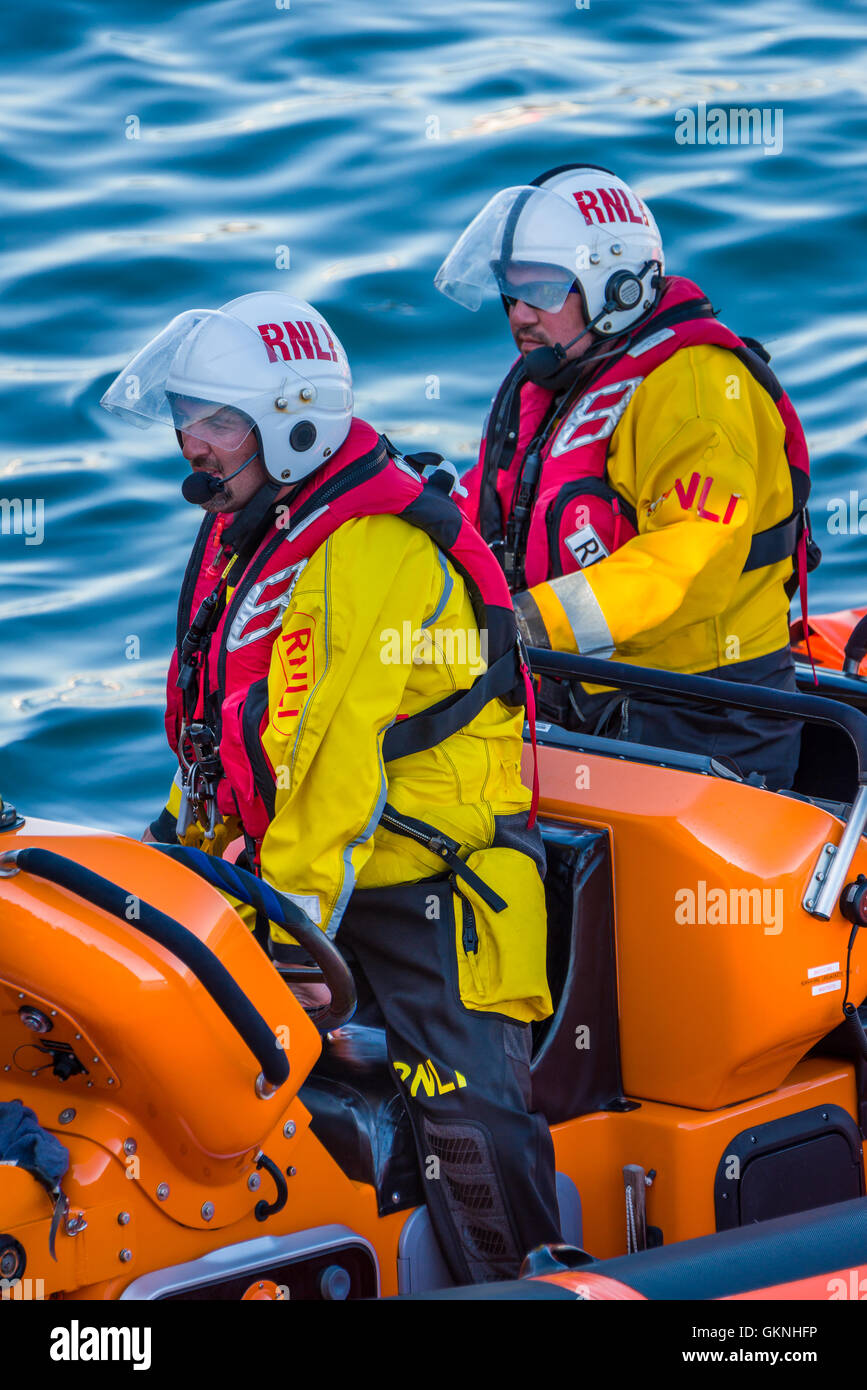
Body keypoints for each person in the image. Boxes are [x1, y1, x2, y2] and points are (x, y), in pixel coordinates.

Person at [100, 291, 562, 1284]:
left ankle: (527, 1277)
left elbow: (328, 773)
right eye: (186, 414)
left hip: (437, 897)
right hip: (306, 878)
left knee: (467, 1129)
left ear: (291, 423)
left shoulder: (367, 547)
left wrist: (274, 952)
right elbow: (223, 737)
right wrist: (180, 875)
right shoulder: (256, 527)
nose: (193, 439)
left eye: (216, 418)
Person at [435, 164, 818, 791]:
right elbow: (499, 507)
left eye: (543, 290)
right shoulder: (565, 377)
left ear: (618, 289)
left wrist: (524, 625)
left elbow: (685, 564)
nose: (519, 314)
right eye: (511, 291)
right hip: (592, 700)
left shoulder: (696, 388)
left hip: (709, 717)